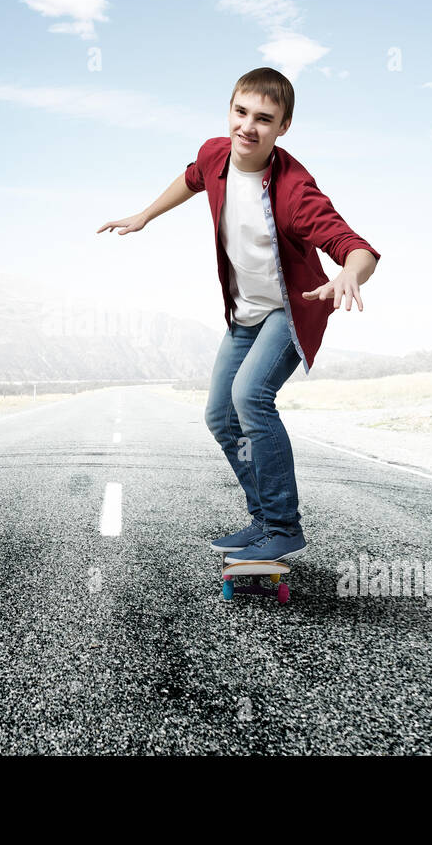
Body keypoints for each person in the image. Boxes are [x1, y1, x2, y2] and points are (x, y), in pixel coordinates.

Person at [96, 67, 381, 565]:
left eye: (264, 119)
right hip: (244, 314)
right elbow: (191, 179)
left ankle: (283, 526)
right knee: (220, 415)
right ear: (230, 109)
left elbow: (355, 247)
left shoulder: (295, 190)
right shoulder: (215, 153)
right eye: (241, 112)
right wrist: (145, 214)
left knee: (251, 398)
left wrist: (351, 274)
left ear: (283, 127)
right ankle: (263, 516)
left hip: (289, 314)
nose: (248, 127)